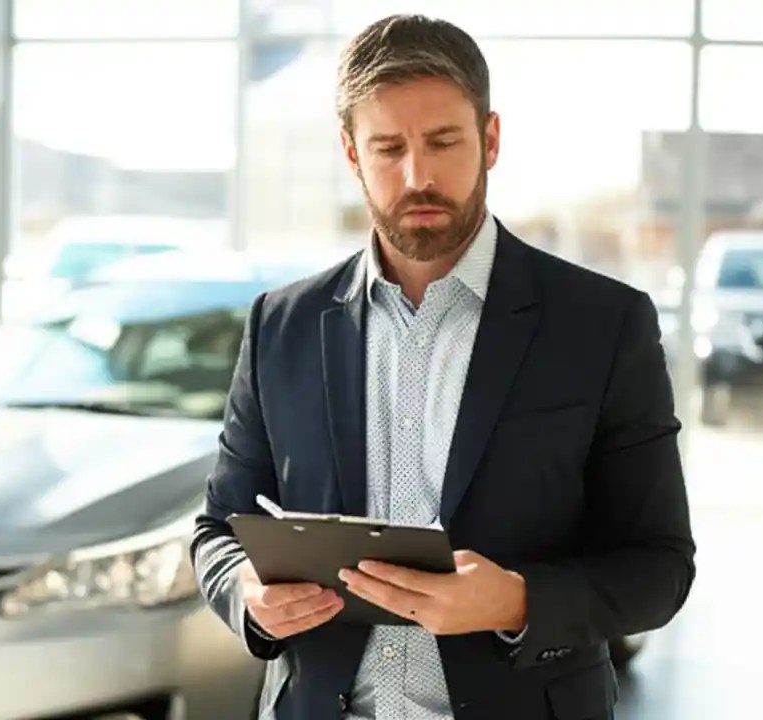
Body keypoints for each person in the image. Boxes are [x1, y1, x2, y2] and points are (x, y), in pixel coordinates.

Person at [192, 14, 695, 720]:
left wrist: (517, 600)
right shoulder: (283, 326)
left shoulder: (604, 325)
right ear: (350, 153)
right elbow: (218, 528)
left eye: (443, 142)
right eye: (388, 148)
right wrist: (246, 591)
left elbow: (660, 567)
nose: (417, 175)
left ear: (490, 140)